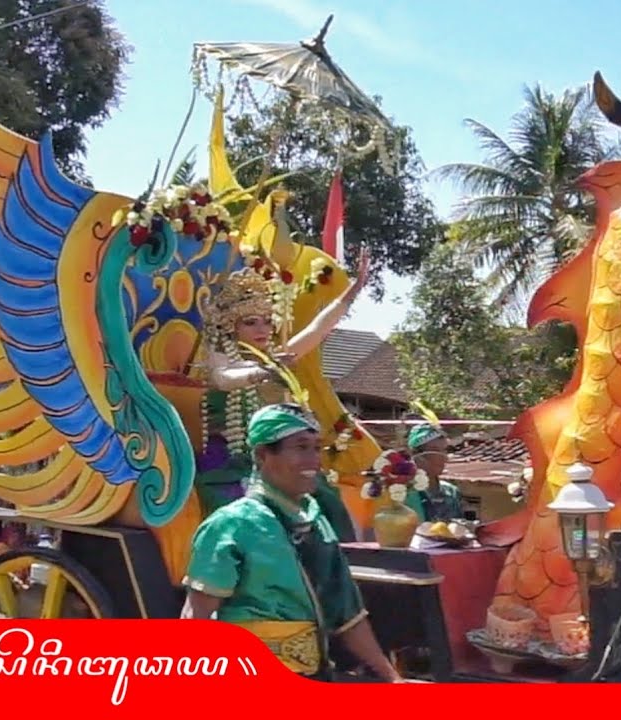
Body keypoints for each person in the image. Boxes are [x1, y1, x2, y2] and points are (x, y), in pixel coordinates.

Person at [182, 403, 402, 683]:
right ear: (263, 454)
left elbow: (347, 613)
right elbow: (196, 618)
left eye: (315, 448)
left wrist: (392, 678)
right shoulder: (233, 524)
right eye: (300, 447)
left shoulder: (317, 522)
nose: (314, 460)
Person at [192, 248, 371, 540]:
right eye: (250, 322)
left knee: (328, 501)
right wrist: (262, 373)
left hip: (279, 458)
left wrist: (354, 290)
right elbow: (223, 379)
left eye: (266, 321)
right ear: (231, 326)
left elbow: (317, 329)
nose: (262, 329)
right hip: (231, 460)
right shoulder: (222, 356)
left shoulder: (276, 358)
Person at [402, 420, 463, 523]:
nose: (443, 458)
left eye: (444, 450)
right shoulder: (403, 493)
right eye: (435, 450)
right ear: (417, 455)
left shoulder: (451, 492)